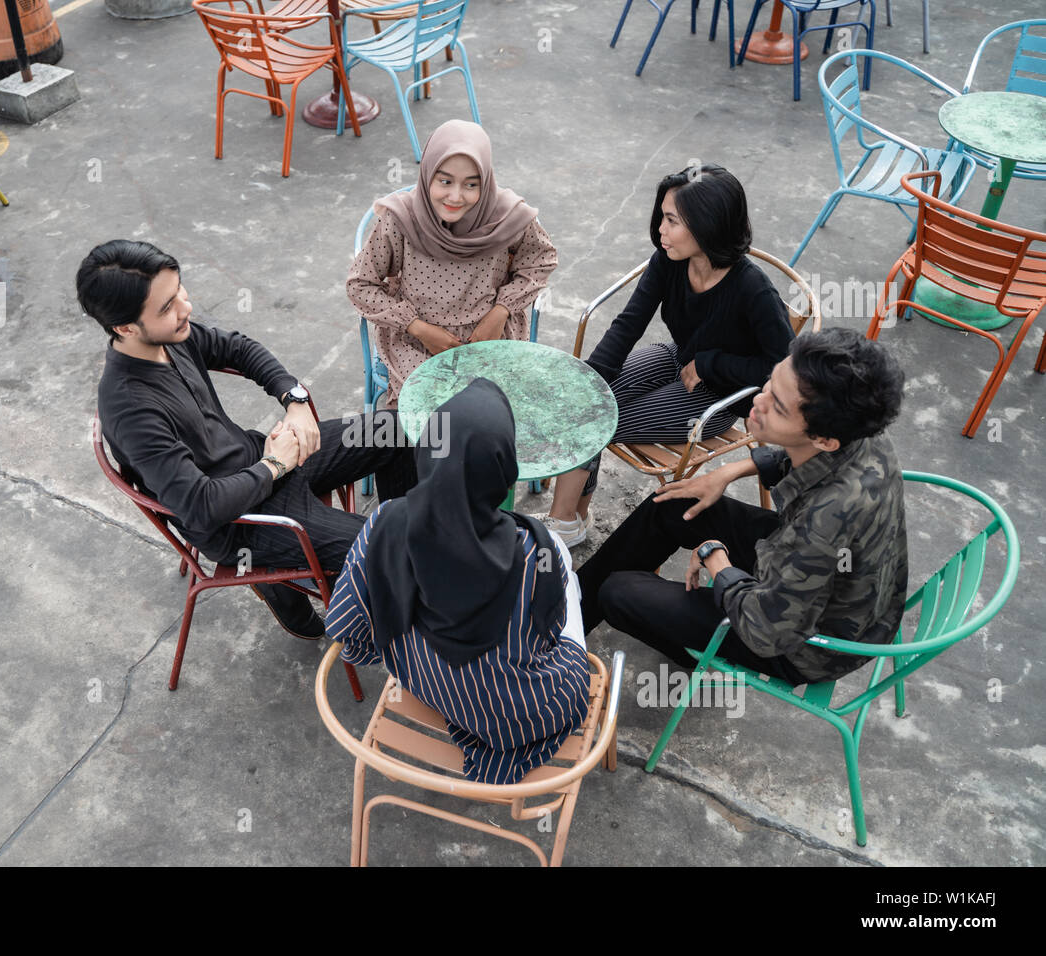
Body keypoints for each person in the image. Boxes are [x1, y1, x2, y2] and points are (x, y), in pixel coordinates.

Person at [81, 239, 415, 639]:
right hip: (239, 519)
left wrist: (293, 399)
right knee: (393, 547)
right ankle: (297, 583)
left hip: (265, 458)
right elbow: (201, 507)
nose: (185, 308)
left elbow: (238, 348)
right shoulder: (131, 409)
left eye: (179, 291)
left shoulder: (169, 338)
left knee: (399, 427)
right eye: (167, 307)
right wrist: (275, 466)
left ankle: (411, 525)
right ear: (125, 327)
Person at [577, 328, 908, 686]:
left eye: (778, 407)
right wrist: (731, 470)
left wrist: (715, 558)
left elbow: (765, 631)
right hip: (823, 577)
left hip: (807, 642)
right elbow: (802, 456)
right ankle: (568, 612)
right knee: (677, 501)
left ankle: (684, 648)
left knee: (618, 593)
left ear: (824, 438)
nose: (759, 401)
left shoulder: (824, 521)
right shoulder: (862, 427)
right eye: (770, 383)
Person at [325, 379, 590, 785]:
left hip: (423, 683)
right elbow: (549, 636)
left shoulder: (384, 522)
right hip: (520, 716)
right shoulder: (535, 553)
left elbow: (350, 633)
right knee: (565, 575)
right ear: (503, 470)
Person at [536, 163, 793, 547]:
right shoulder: (668, 261)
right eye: (662, 217)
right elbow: (629, 323)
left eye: (672, 221)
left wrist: (710, 364)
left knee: (598, 422)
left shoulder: (753, 290)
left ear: (707, 224)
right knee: (587, 402)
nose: (660, 229)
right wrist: (588, 378)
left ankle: (562, 527)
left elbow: (783, 371)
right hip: (678, 358)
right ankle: (571, 520)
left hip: (723, 395)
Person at [346, 119, 557, 409]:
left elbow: (540, 259)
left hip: (489, 335)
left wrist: (500, 312)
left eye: (471, 184)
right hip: (416, 341)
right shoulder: (401, 221)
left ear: (486, 180)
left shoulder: (506, 218)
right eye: (444, 181)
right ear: (427, 175)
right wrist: (417, 328)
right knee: (432, 421)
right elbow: (360, 284)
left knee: (492, 416)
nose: (456, 197)